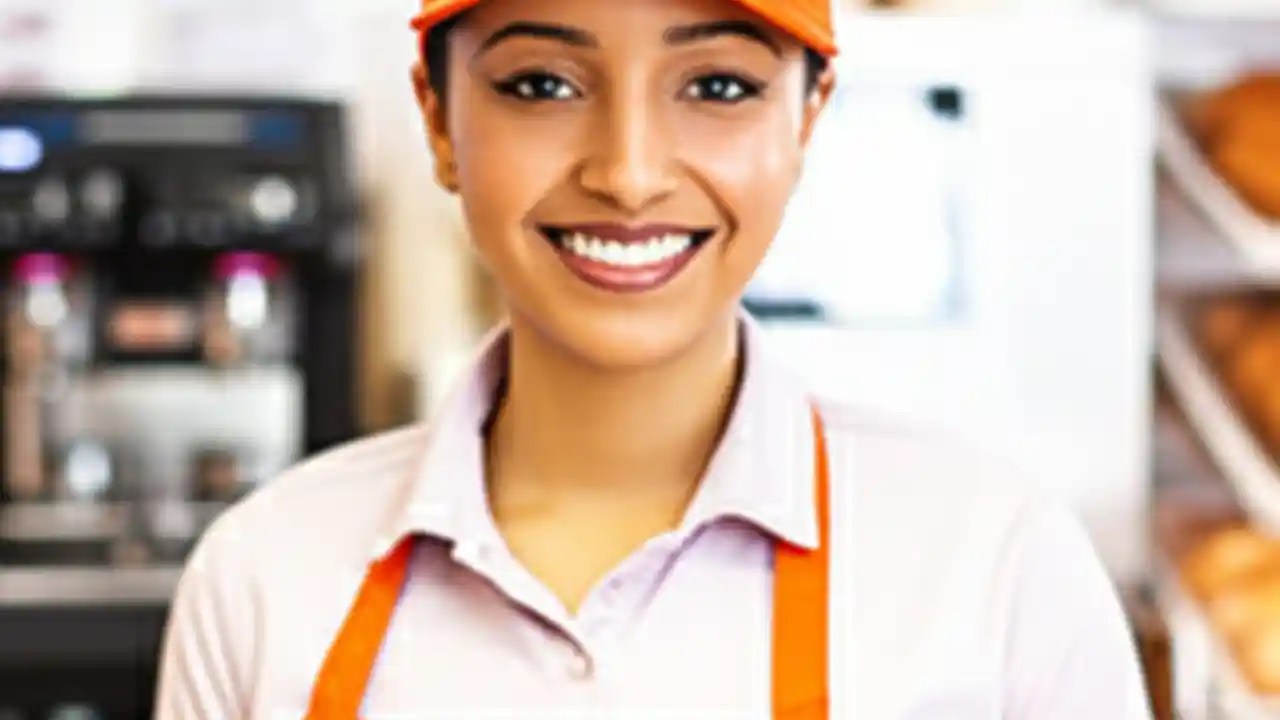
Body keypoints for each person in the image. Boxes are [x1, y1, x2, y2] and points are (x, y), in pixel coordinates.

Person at [155, 0, 1153, 717]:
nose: (627, 172)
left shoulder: (993, 569)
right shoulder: (265, 582)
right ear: (438, 120)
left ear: (804, 119)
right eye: (540, 84)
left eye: (716, 85)